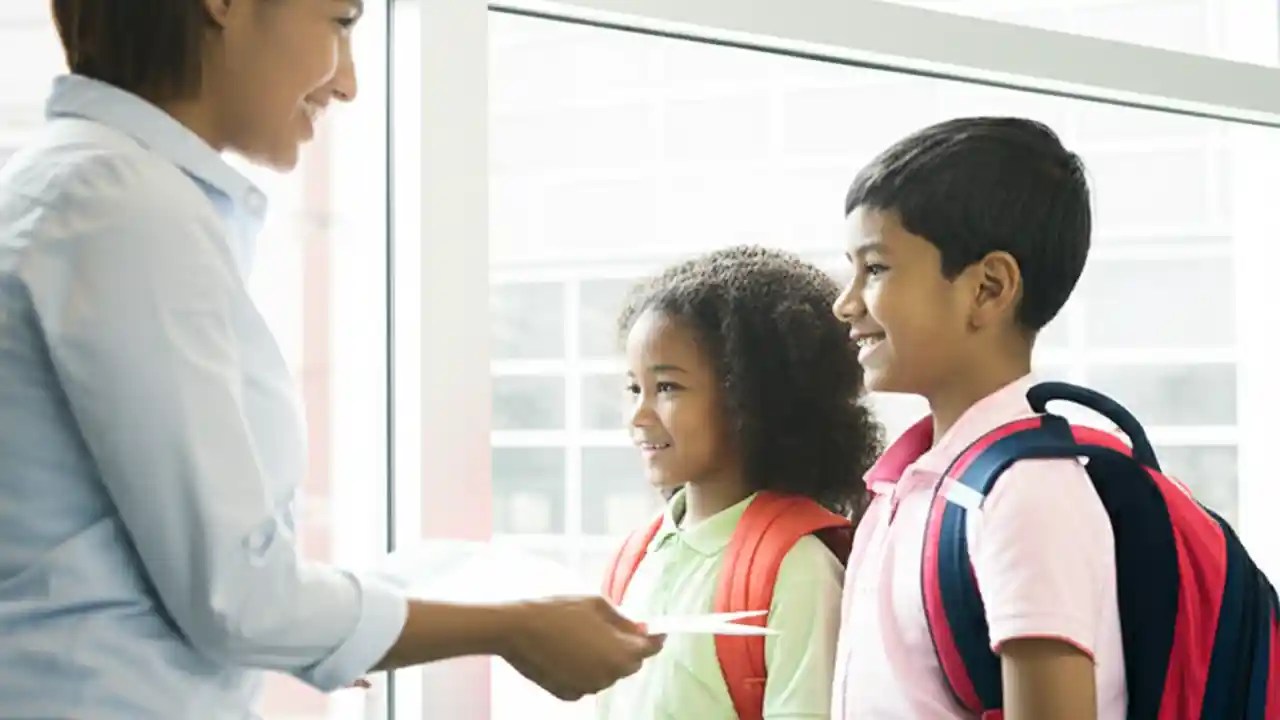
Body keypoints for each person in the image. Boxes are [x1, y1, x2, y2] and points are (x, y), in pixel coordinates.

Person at [0, 1, 659, 717]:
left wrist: (349, 625)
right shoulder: (119, 207)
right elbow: (240, 600)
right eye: (340, 23)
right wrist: (513, 625)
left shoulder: (91, 190)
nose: (347, 83)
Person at [829, 117, 1125, 719]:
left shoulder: (1025, 494)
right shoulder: (911, 485)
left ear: (988, 288)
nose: (846, 302)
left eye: (877, 268)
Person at [596, 246, 883, 719]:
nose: (639, 415)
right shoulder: (635, 557)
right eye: (634, 388)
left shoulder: (799, 570)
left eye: (667, 387)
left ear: (750, 397)